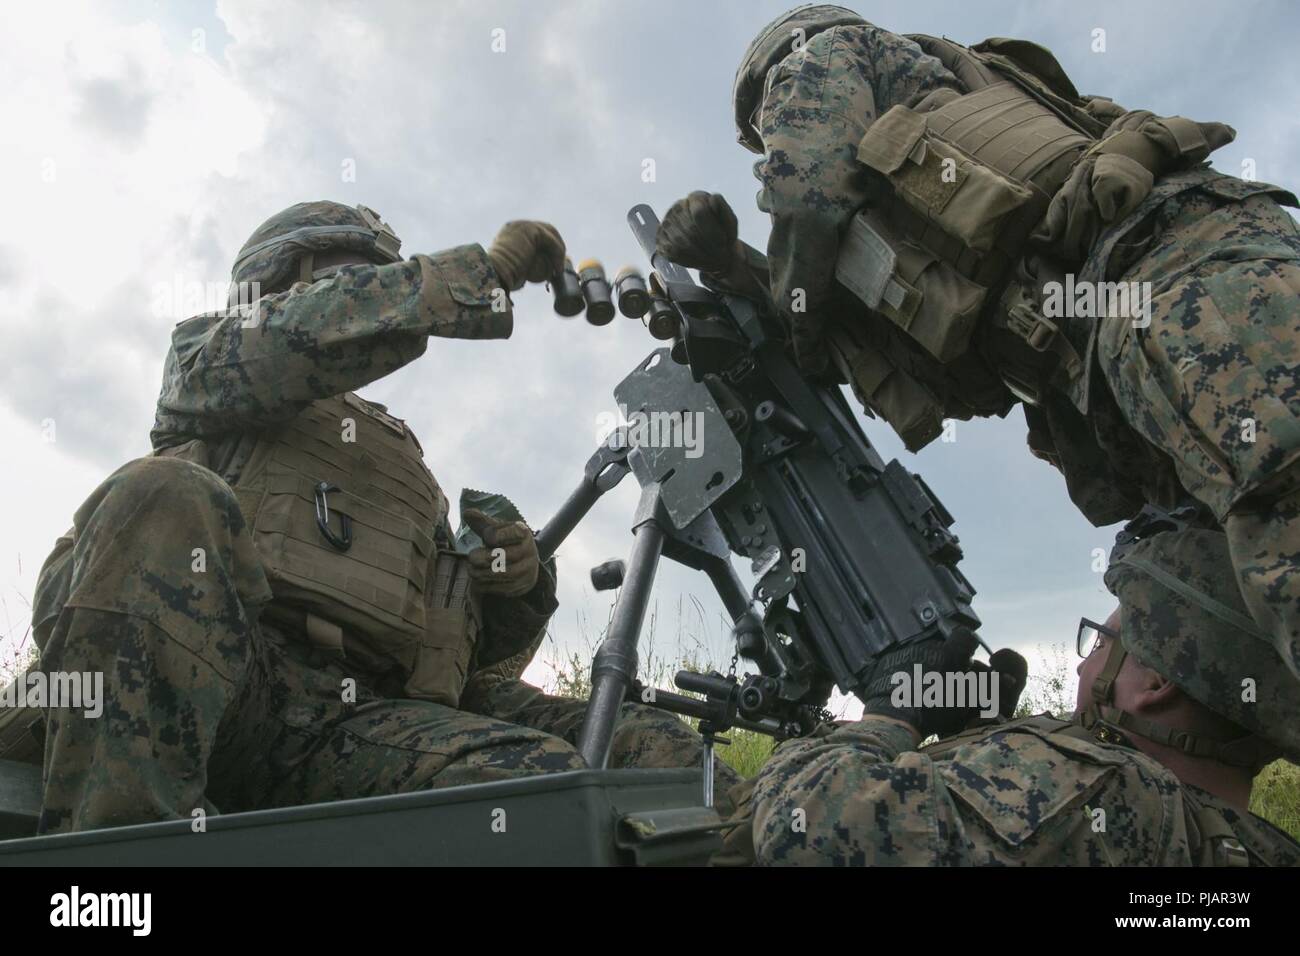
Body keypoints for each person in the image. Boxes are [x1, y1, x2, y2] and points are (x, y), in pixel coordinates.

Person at [26, 201, 733, 834]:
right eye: (355, 275)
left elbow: (463, 660)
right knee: (166, 492)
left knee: (571, 774)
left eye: (382, 277)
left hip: (353, 722)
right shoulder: (209, 362)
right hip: (224, 690)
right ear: (285, 275)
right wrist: (479, 273)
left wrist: (513, 581)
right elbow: (300, 335)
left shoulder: (402, 466)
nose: (376, 291)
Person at [656, 4, 1300, 680]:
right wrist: (732, 265)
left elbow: (807, 195)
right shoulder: (952, 100)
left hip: (1169, 285)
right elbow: (890, 319)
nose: (773, 138)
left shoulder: (814, 54)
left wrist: (786, 319)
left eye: (765, 130)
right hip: (1159, 303)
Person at [736, 515, 1300, 865]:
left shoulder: (1105, 789)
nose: (1083, 669)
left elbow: (805, 832)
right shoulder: (1254, 847)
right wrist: (981, 747)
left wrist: (890, 712)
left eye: (1101, 643)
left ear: (1157, 683)